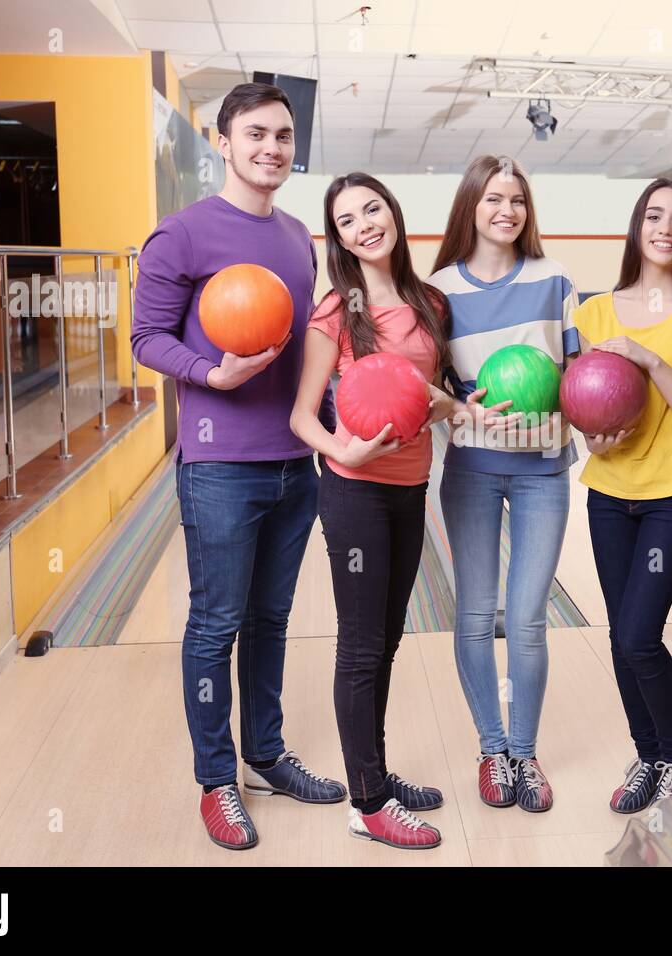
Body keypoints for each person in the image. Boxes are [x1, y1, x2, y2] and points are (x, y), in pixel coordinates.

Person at [132, 82, 345, 852]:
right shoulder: (182, 235)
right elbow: (146, 337)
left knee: (271, 620)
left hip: (295, 464)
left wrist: (332, 431)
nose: (272, 148)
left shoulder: (298, 238)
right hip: (221, 464)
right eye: (255, 134)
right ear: (222, 142)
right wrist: (206, 374)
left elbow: (304, 357)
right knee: (217, 622)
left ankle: (264, 752)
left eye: (284, 136)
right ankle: (216, 779)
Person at [290, 172, 456, 850]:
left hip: (410, 487)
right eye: (348, 219)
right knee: (361, 646)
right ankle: (367, 803)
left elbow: (434, 396)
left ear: (392, 213)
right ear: (338, 237)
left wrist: (451, 406)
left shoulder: (430, 302)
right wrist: (344, 452)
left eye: (373, 208)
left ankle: (376, 774)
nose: (365, 224)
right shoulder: (336, 313)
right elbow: (302, 415)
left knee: (387, 640)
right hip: (354, 491)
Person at [427, 155, 579, 813]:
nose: (507, 211)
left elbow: (577, 375)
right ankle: (491, 751)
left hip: (544, 466)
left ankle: (525, 751)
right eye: (494, 199)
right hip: (472, 467)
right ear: (472, 205)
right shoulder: (438, 291)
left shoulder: (555, 281)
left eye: (517, 200)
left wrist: (596, 420)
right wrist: (461, 410)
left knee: (527, 618)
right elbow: (426, 385)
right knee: (472, 613)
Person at [572, 179, 672, 814]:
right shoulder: (594, 313)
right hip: (609, 493)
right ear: (637, 226)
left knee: (639, 636)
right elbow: (591, 410)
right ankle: (648, 756)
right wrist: (596, 443)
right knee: (619, 636)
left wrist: (650, 359)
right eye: (655, 215)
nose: (666, 228)